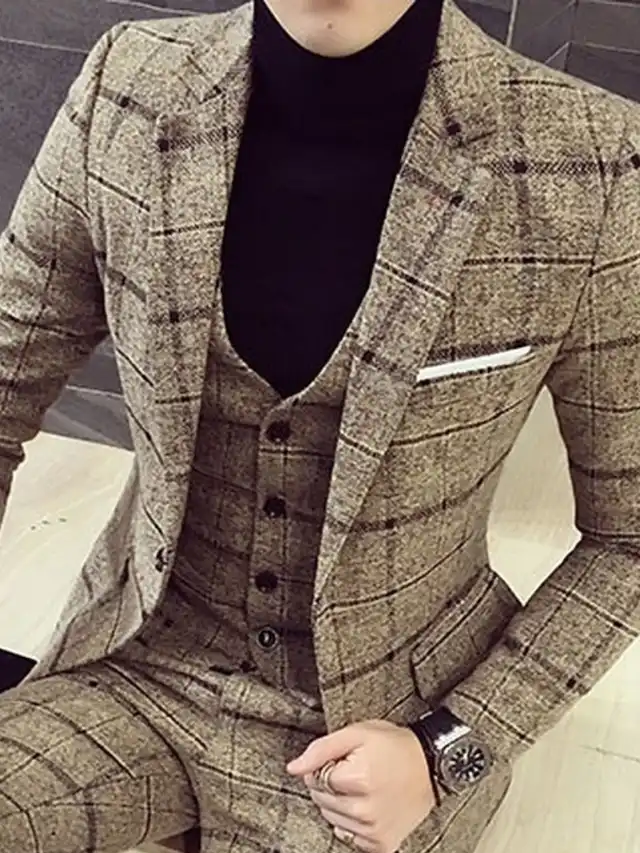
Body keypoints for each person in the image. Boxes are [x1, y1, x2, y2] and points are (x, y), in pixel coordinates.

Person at [0, 0, 638, 851]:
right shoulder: (128, 83)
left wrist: (455, 742)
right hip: (137, 660)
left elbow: (629, 534)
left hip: (388, 725)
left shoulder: (593, 160)